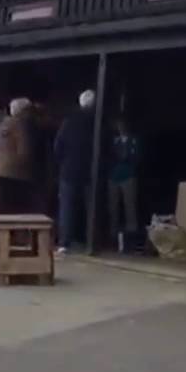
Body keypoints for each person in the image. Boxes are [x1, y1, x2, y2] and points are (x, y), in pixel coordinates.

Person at [53, 90, 97, 254]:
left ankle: (65, 242)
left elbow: (58, 146)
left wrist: (61, 163)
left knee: (67, 207)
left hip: (69, 170)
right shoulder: (97, 121)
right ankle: (90, 242)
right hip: (91, 171)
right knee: (90, 207)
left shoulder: (68, 121)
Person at [0, 98, 36, 215]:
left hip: (1, 171)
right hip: (18, 175)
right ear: (23, 111)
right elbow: (25, 152)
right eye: (29, 110)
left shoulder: (4, 124)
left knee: (5, 210)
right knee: (19, 211)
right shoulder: (21, 126)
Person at [107, 117, 142, 251]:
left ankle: (131, 238)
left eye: (123, 125)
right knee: (113, 207)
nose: (120, 127)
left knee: (130, 207)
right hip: (113, 177)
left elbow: (136, 157)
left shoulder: (133, 140)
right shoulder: (113, 141)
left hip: (128, 176)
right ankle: (113, 236)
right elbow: (109, 156)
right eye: (118, 125)